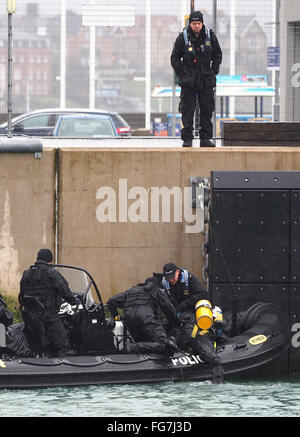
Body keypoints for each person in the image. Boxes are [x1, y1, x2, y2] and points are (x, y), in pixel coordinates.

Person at [160, 263, 224, 383]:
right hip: (178, 316)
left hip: (191, 313)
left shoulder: (189, 279)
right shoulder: (165, 284)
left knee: (201, 341)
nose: (171, 281)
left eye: (173, 277)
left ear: (178, 272)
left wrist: (182, 306)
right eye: (169, 279)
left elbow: (203, 295)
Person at [171, 10, 222, 148]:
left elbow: (218, 54)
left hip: (206, 79)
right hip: (189, 80)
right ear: (190, 24)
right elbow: (174, 57)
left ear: (202, 23)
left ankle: (205, 139)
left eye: (199, 23)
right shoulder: (182, 38)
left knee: (207, 109)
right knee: (187, 110)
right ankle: (187, 139)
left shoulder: (210, 36)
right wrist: (182, 73)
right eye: (194, 23)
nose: (197, 26)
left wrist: (213, 71)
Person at [18, 249, 78, 357]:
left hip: (31, 317)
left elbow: (21, 295)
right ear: (50, 261)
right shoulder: (51, 273)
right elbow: (64, 290)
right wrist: (73, 300)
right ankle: (63, 370)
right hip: (48, 317)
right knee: (62, 344)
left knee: (38, 347)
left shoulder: (26, 274)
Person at [106, 277, 181, 354]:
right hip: (145, 318)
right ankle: (132, 347)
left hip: (129, 320)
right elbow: (168, 308)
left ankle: (132, 349)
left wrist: (117, 316)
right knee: (163, 343)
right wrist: (178, 323)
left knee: (146, 342)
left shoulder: (130, 291)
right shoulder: (156, 289)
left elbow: (111, 302)